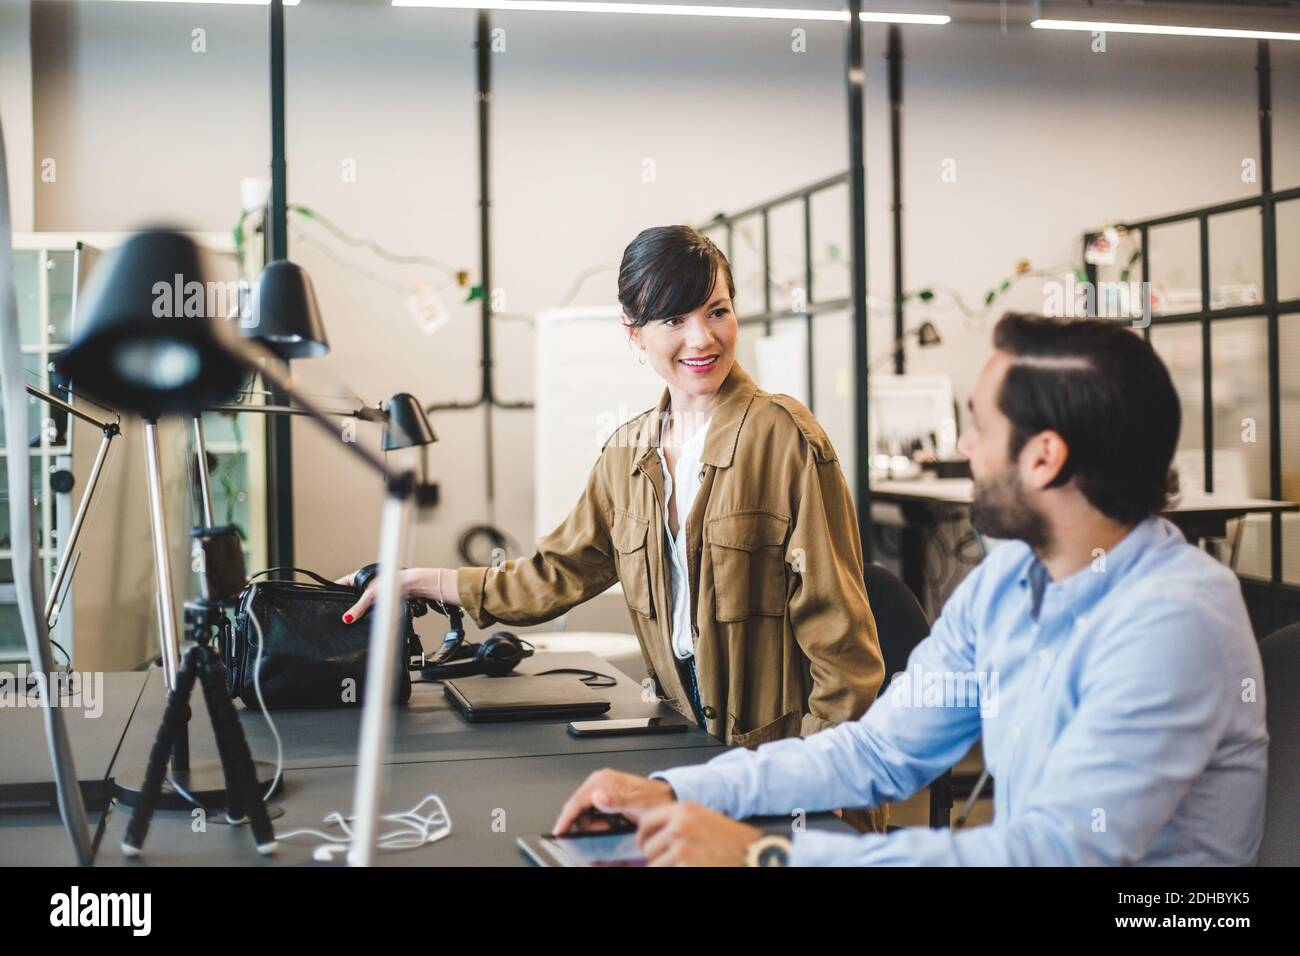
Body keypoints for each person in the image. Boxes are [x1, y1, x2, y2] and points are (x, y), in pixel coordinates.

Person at [553, 312, 1269, 866]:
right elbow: (879, 752)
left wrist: (759, 853)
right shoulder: (1006, 588)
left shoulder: (1175, 620)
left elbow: (1054, 854)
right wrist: (681, 791)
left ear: (1044, 458)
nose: (963, 448)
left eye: (979, 427)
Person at [342, 226, 886, 827]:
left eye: (718, 311)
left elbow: (843, 647)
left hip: (790, 768)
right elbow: (552, 576)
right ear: (634, 334)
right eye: (673, 319)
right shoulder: (626, 456)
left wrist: (817, 777)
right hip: (689, 758)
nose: (702, 337)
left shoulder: (785, 437)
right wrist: (418, 580)